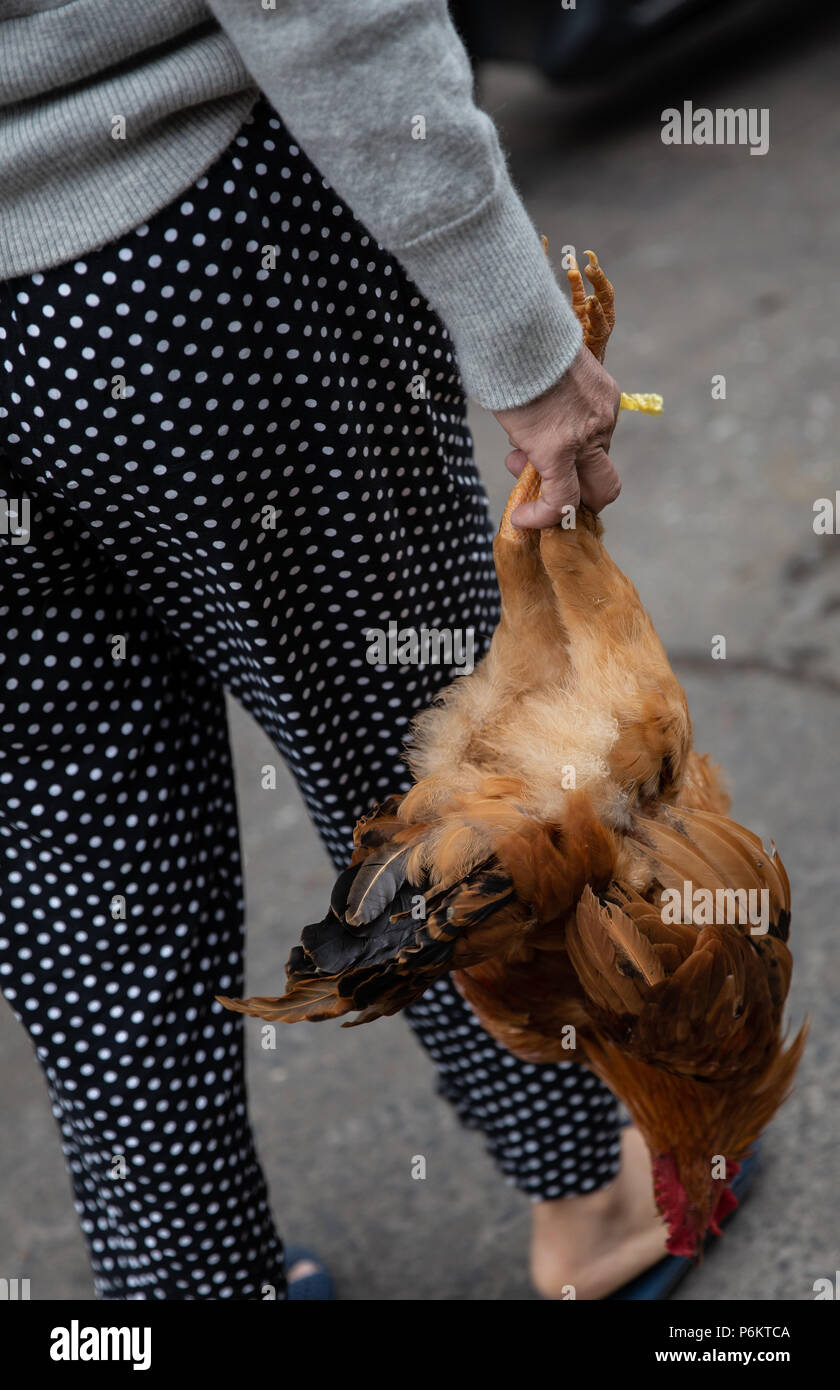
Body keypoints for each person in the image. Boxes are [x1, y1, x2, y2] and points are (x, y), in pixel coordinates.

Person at [0, 0, 665, 1300]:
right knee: (420, 749)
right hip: (184, 244)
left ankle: (193, 1289)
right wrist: (522, 337)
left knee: (79, 870)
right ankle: (590, 1200)